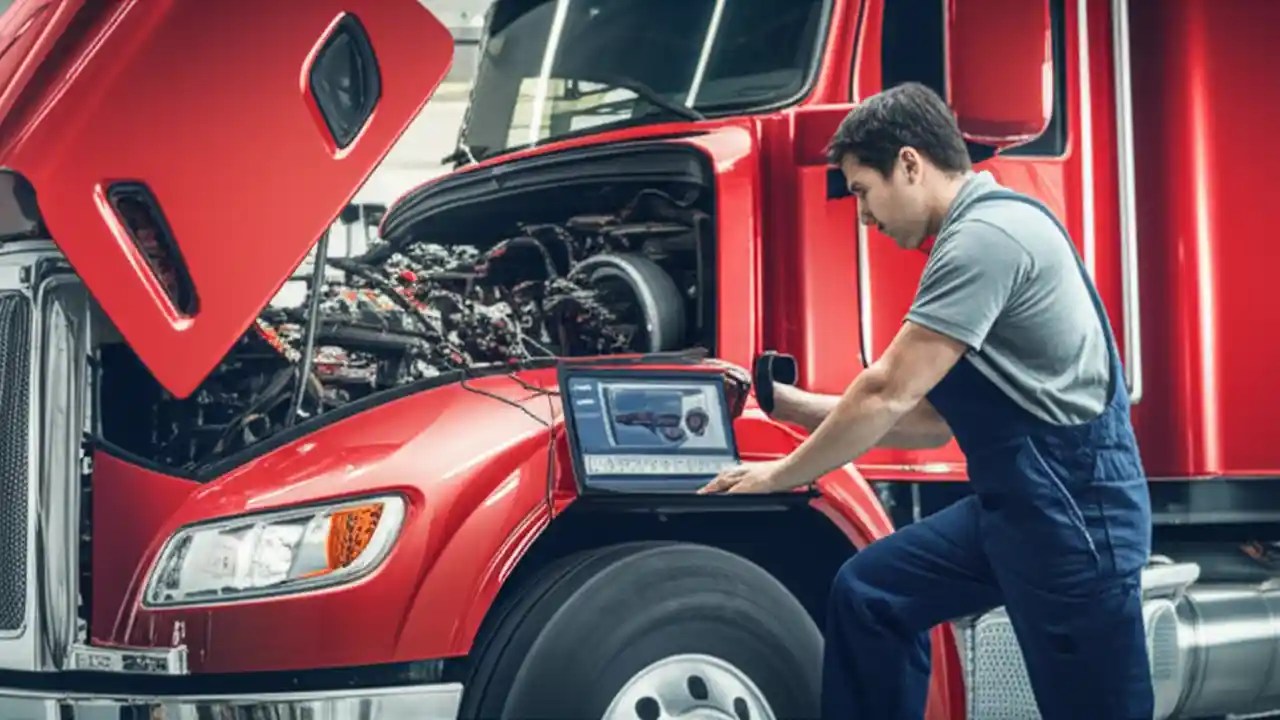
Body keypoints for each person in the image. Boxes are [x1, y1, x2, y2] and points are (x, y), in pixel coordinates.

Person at [697, 82, 1154, 719]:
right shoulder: (978, 231)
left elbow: (888, 390)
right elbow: (929, 422)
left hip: (1073, 519)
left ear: (910, 164)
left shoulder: (986, 237)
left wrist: (780, 474)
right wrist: (790, 406)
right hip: (1015, 508)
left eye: (863, 190)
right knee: (872, 594)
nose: (863, 216)